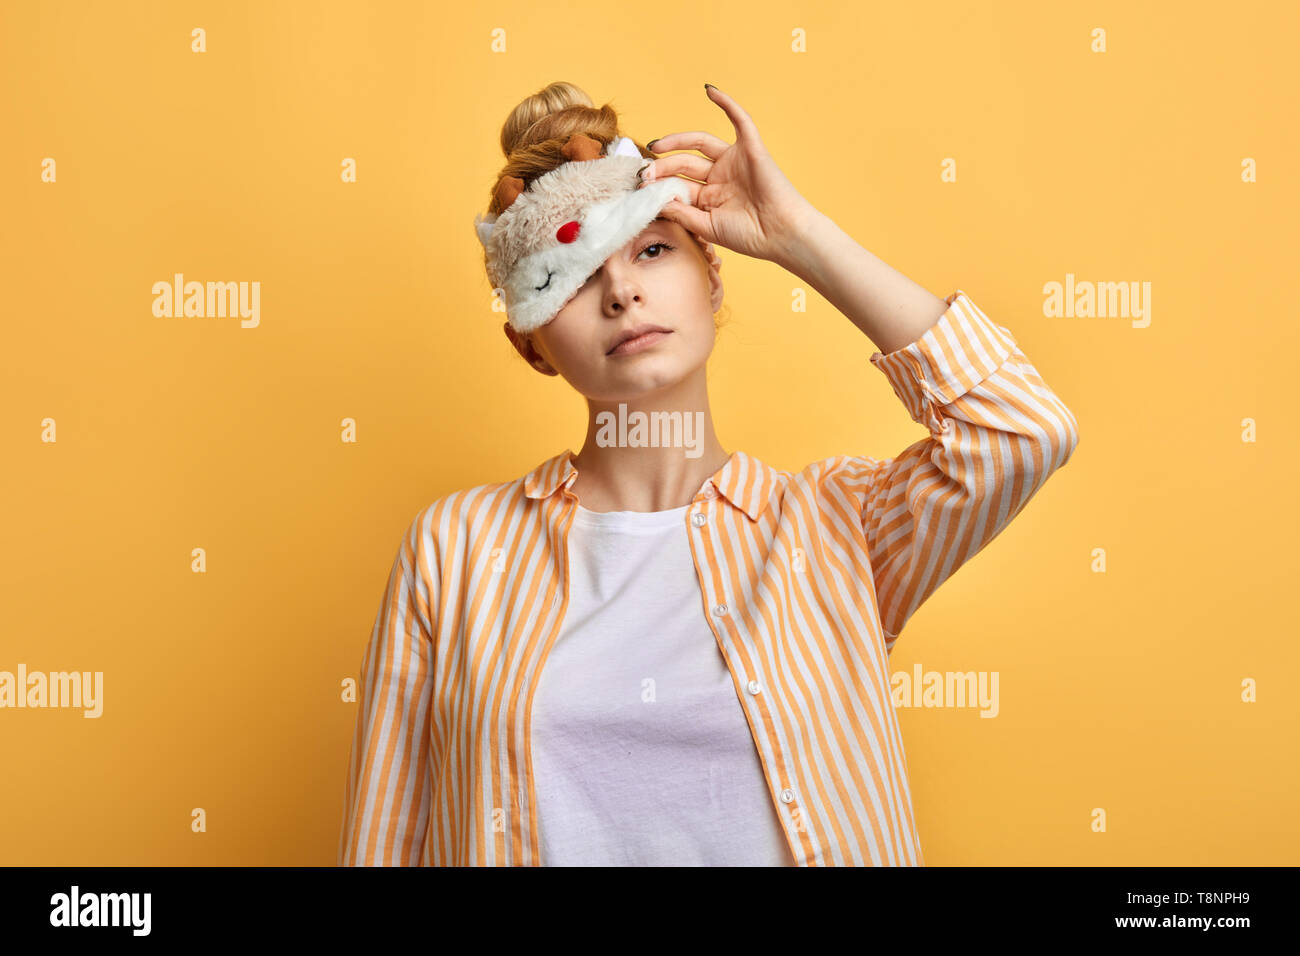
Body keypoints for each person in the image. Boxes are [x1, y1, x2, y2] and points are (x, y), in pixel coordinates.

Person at [338, 81, 1080, 866]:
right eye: (575, 275)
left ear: (712, 276)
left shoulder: (833, 530)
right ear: (530, 344)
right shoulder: (455, 551)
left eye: (652, 250)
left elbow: (1022, 430)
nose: (622, 291)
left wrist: (800, 235)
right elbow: (387, 840)